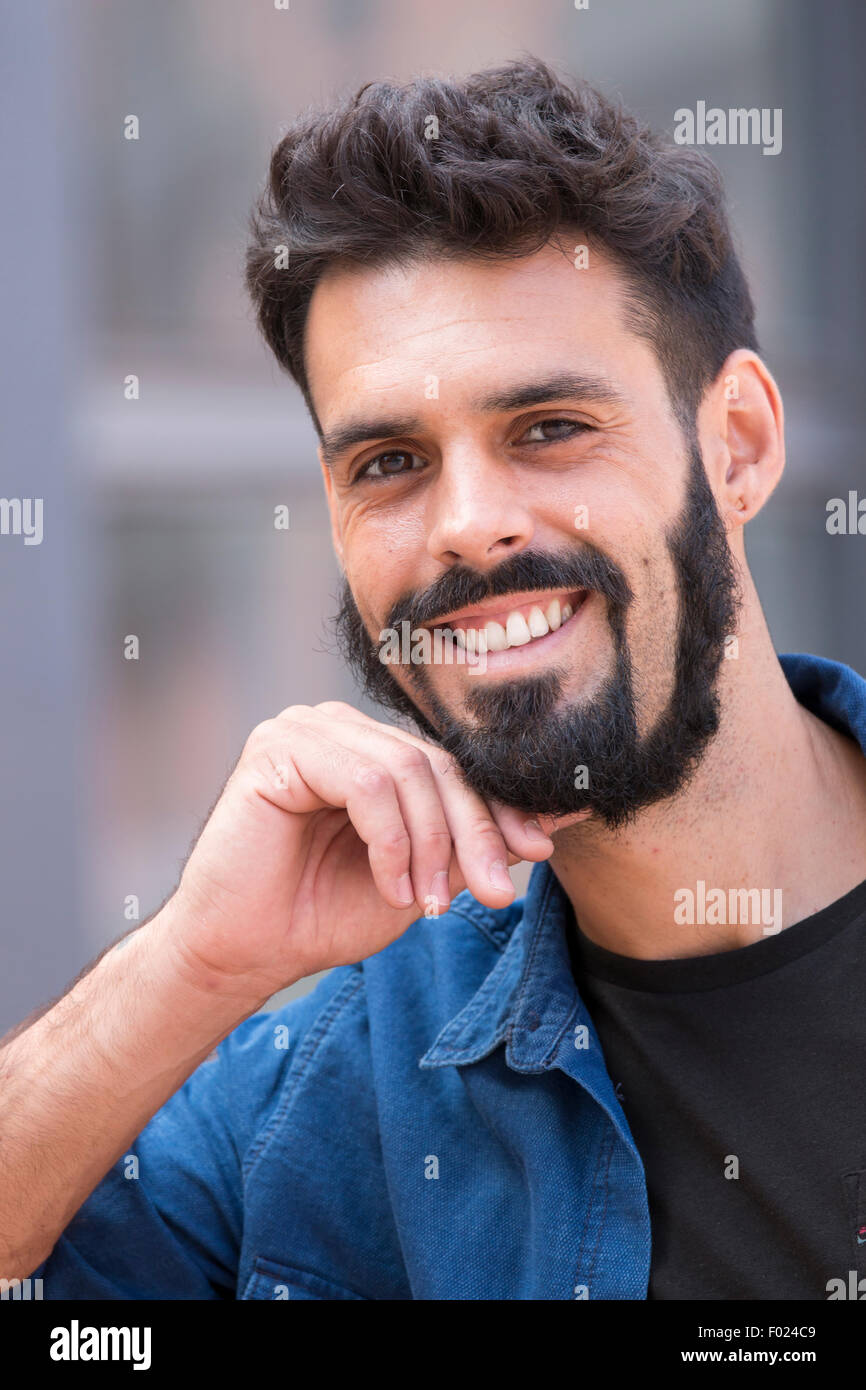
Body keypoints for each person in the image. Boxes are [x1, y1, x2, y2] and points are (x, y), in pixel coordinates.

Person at [3, 57, 866, 1301]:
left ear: (734, 444)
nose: (466, 525)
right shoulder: (325, 1085)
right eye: (391, 461)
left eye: (548, 428)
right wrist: (191, 963)